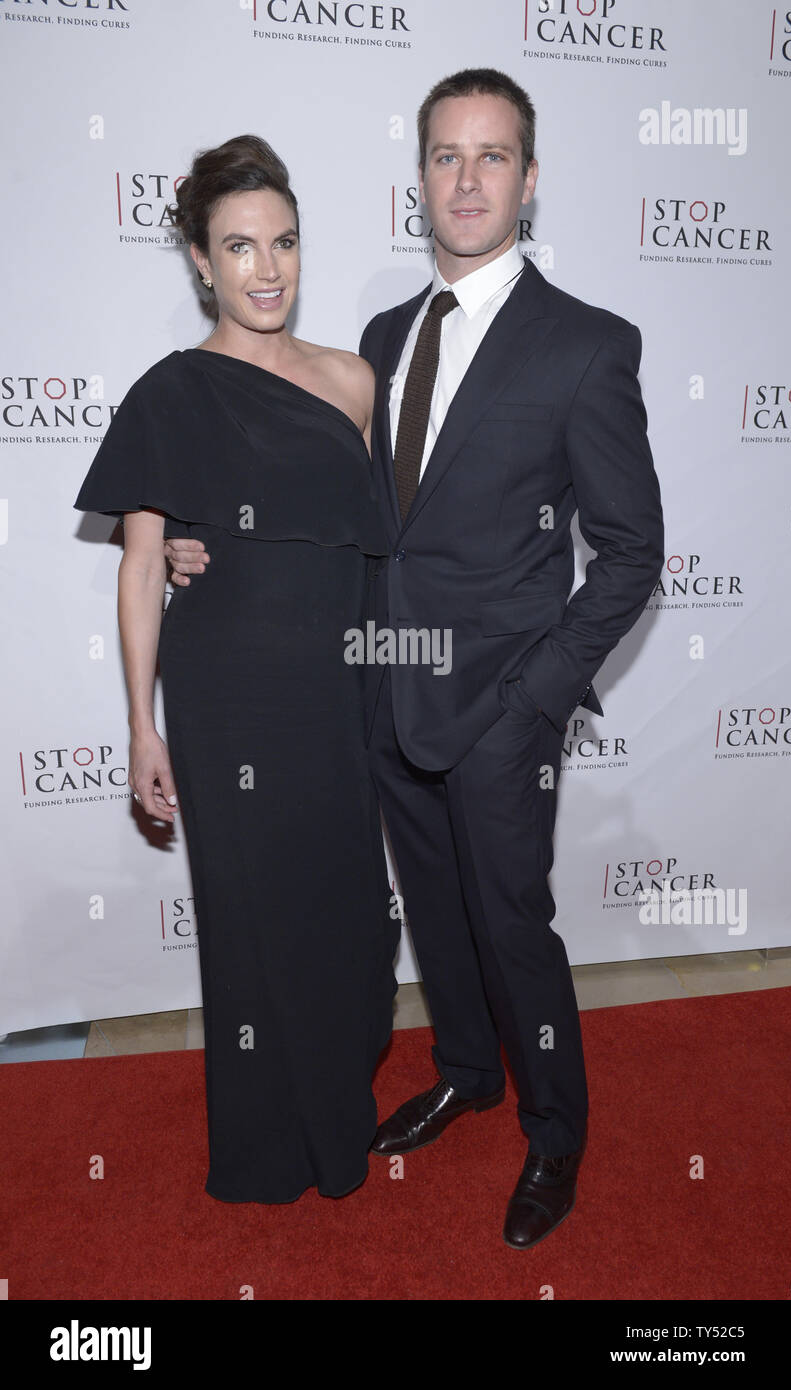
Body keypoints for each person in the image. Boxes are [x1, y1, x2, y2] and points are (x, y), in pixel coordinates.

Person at [166, 70, 665, 1249]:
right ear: (421, 180)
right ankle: (465, 1073)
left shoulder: (586, 347)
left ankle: (554, 1130)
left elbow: (634, 553)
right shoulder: (385, 339)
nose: (468, 178)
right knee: (433, 914)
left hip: (503, 707)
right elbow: (315, 500)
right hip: (384, 688)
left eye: (493, 157)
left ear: (529, 181)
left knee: (511, 925)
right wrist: (191, 535)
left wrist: (539, 695)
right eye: (448, 156)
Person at [74, 134, 400, 1205]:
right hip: (228, 699)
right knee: (254, 919)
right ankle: (265, 1149)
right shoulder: (171, 393)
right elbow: (136, 569)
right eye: (240, 248)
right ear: (203, 264)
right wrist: (141, 723)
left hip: (339, 685)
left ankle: (337, 1110)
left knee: (347, 910)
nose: (268, 269)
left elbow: (376, 546)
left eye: (285, 242)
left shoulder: (354, 382)